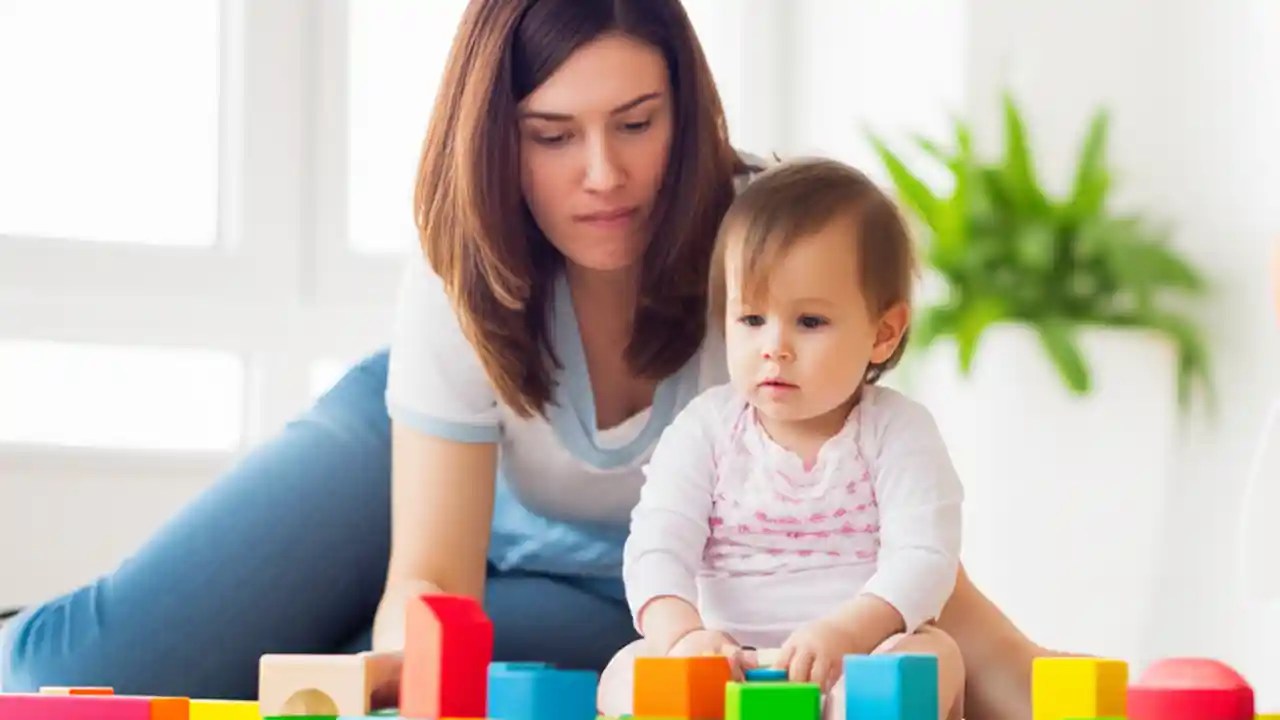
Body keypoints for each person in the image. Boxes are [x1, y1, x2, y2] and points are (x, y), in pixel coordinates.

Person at [0, 1, 1071, 716]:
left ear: (685, 114)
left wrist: (1070, 689)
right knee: (75, 678)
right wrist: (404, 661)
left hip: (621, 578)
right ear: (494, 136)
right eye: (550, 134)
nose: (601, 173)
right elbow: (433, 578)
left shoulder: (762, 259)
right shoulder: (459, 263)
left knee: (562, 682)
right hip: (409, 464)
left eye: (635, 123)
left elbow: (898, 552)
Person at [597, 158, 965, 719]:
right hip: (725, 665)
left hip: (853, 659)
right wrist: (684, 637)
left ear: (883, 333)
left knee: (932, 657)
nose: (775, 347)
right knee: (625, 670)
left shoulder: (897, 431)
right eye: (751, 320)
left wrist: (849, 631)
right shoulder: (707, 429)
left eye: (810, 322)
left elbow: (925, 559)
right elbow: (657, 546)